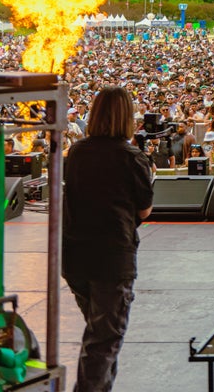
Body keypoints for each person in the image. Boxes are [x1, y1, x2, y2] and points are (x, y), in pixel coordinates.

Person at [63, 86, 153, 391]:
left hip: (75, 257)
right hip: (112, 259)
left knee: (99, 334)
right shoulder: (132, 157)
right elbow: (144, 210)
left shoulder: (76, 151)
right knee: (103, 341)